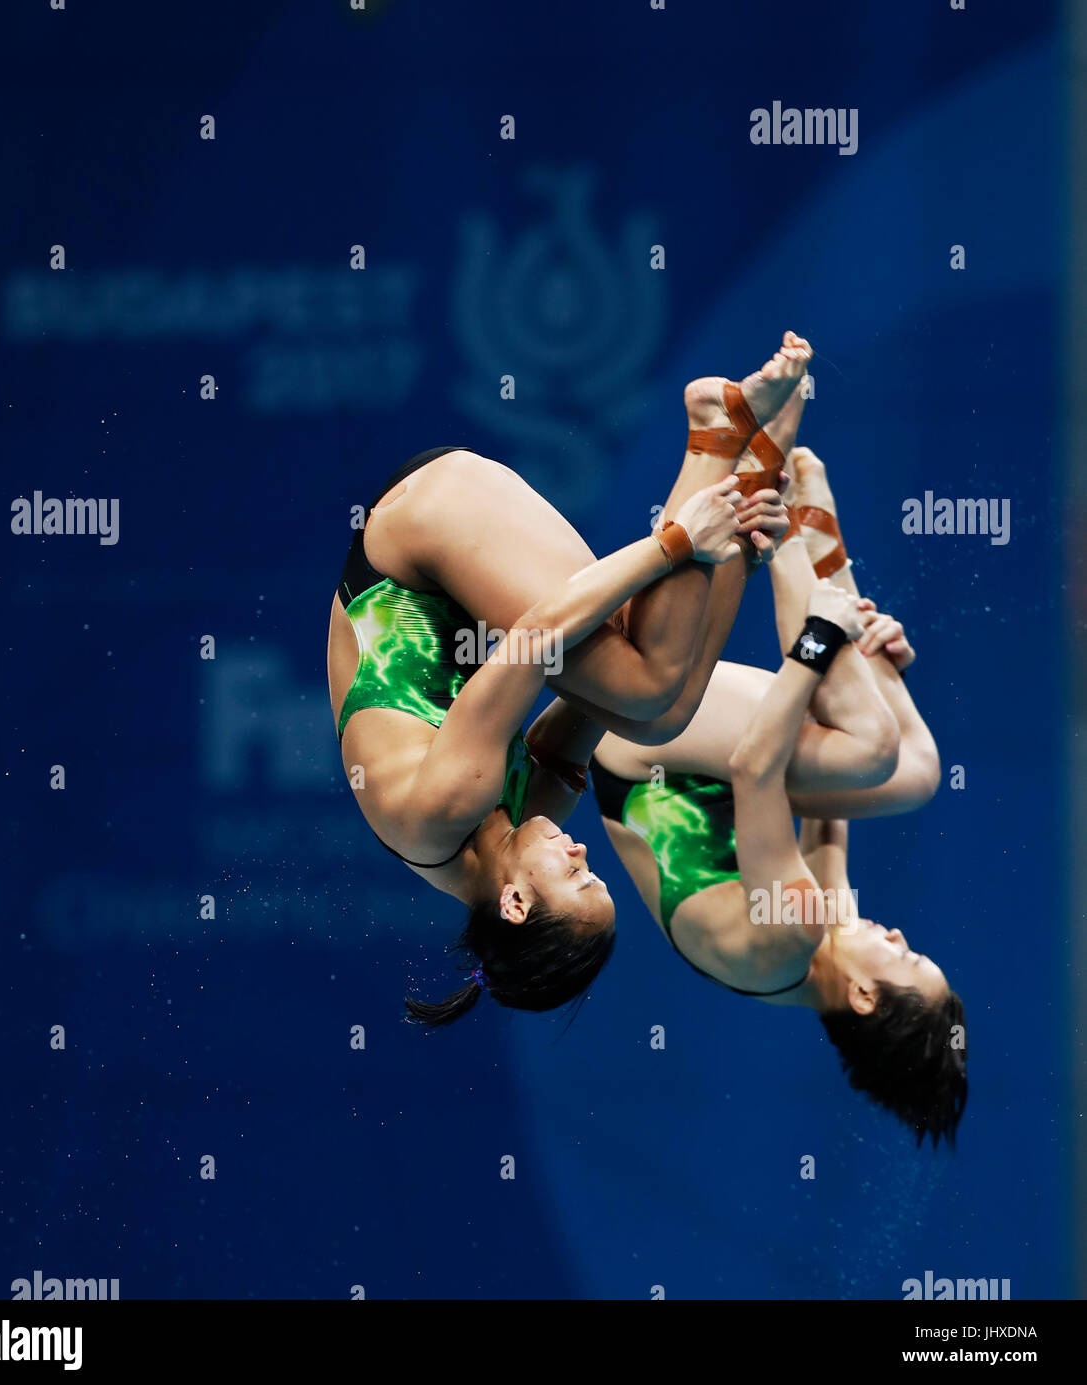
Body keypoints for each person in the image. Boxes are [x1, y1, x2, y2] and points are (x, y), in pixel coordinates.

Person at [327, 336, 811, 1024]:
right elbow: (611, 703)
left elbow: (535, 642)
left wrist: (672, 544)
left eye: (577, 876)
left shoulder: (443, 808)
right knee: (655, 712)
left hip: (421, 523)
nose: (584, 851)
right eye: (594, 870)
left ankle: (717, 432)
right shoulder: (520, 824)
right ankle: (745, 488)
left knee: (645, 691)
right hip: (444, 550)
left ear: (516, 903)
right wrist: (733, 560)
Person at [589, 446, 967, 1146]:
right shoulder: (817, 950)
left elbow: (756, 766)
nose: (898, 935)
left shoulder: (790, 938)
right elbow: (827, 805)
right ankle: (812, 531)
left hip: (646, 757)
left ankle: (794, 518)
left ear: (863, 996)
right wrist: (874, 668)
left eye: (907, 957)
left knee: (872, 749)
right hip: (698, 769)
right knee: (909, 768)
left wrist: (824, 642)